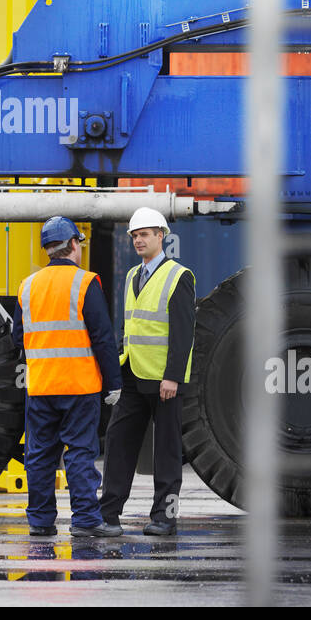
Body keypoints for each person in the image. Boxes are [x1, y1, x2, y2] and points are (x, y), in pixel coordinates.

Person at [12, 216, 123, 538]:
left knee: (40, 456)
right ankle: (86, 521)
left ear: (48, 249)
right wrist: (114, 382)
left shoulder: (27, 285)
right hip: (79, 385)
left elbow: (18, 339)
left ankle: (41, 521)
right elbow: (103, 337)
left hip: (41, 385)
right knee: (79, 453)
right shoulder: (85, 283)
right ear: (74, 244)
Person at [99, 206, 196, 536]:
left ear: (161, 236)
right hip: (133, 374)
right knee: (118, 440)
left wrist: (173, 375)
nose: (138, 240)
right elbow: (129, 326)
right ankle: (108, 514)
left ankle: (164, 517)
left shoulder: (178, 276)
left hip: (165, 379)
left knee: (167, 451)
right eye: (134, 236)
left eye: (144, 234)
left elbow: (183, 332)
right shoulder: (130, 276)